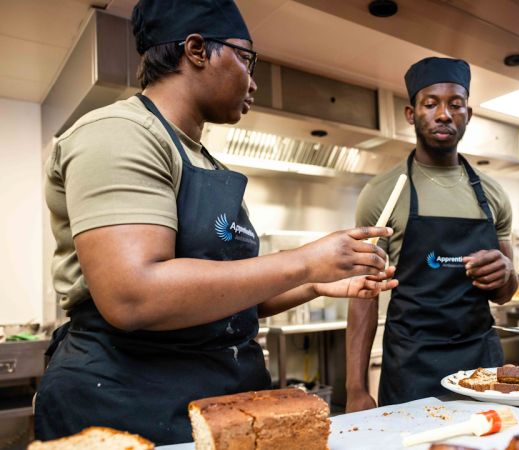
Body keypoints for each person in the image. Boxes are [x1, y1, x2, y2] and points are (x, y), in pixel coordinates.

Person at [35, 0, 397, 444]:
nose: (253, 80)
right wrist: (303, 262)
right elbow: (133, 296)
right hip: (124, 398)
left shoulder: (206, 163)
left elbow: (229, 296)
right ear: (197, 50)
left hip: (215, 395)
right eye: (246, 58)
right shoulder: (118, 133)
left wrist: (317, 282)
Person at [345, 57, 519, 411]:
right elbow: (363, 297)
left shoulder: (493, 195)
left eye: (456, 105)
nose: (444, 114)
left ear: (467, 114)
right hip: (412, 363)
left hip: (480, 362)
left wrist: (507, 272)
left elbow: (505, 294)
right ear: (411, 114)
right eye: (431, 104)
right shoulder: (382, 193)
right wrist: (356, 389)